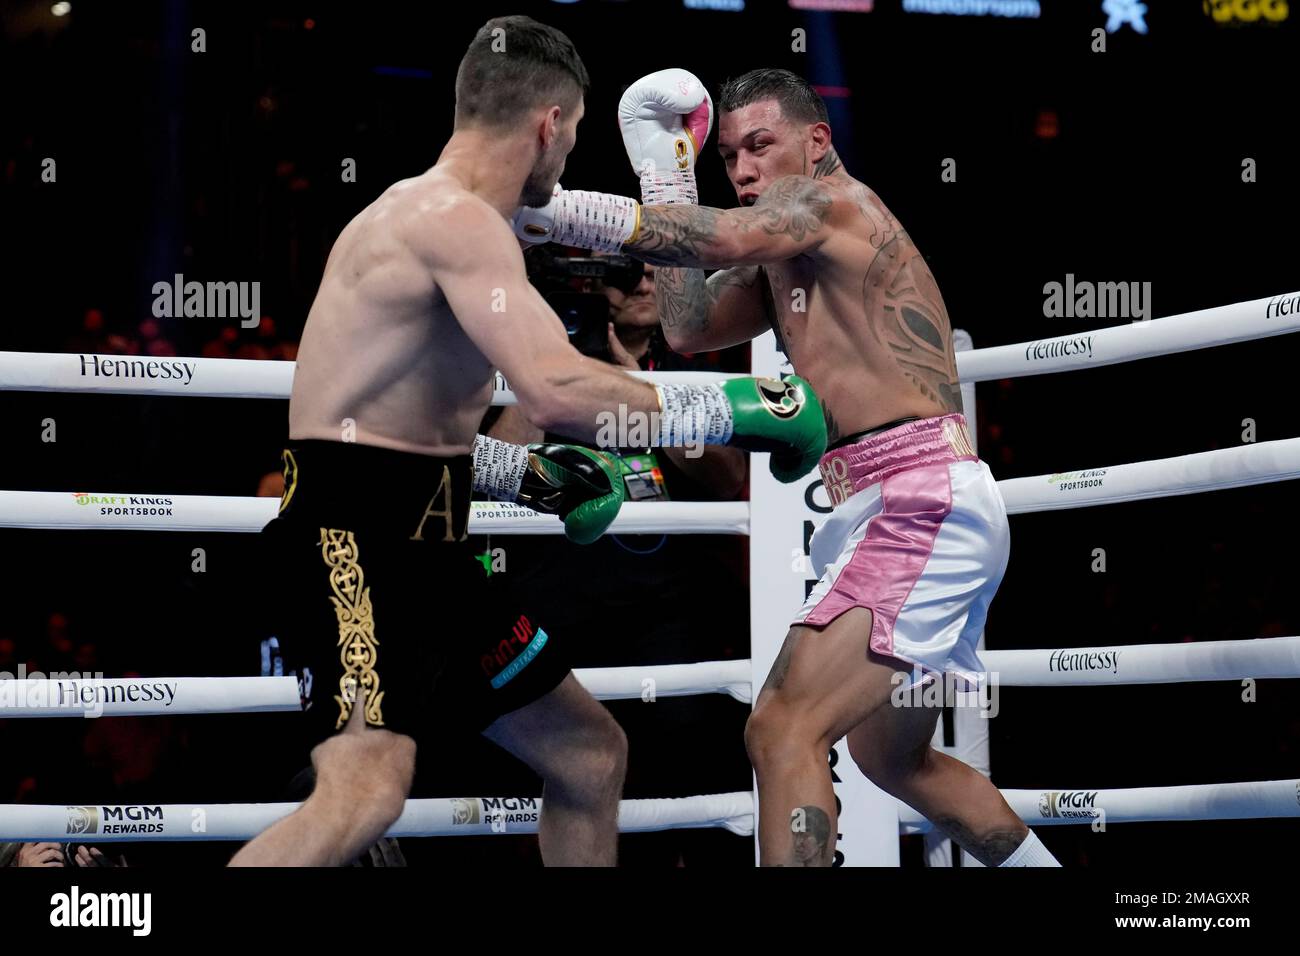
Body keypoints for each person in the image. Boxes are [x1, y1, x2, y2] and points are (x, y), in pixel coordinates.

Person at [228, 20, 826, 868]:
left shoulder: (447, 220)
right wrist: (735, 407)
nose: (568, 154)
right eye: (575, 134)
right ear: (551, 124)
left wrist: (526, 474)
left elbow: (404, 434)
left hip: (427, 548)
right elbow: (553, 387)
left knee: (587, 756)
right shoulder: (452, 221)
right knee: (365, 790)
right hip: (351, 544)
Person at [515, 66, 1056, 867]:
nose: (742, 170)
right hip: (887, 506)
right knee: (893, 759)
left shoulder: (831, 203)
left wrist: (551, 208)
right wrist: (663, 166)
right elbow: (689, 326)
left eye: (760, 146)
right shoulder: (785, 257)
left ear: (817, 140)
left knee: (781, 726)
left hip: (917, 503)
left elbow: (718, 236)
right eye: (728, 154)